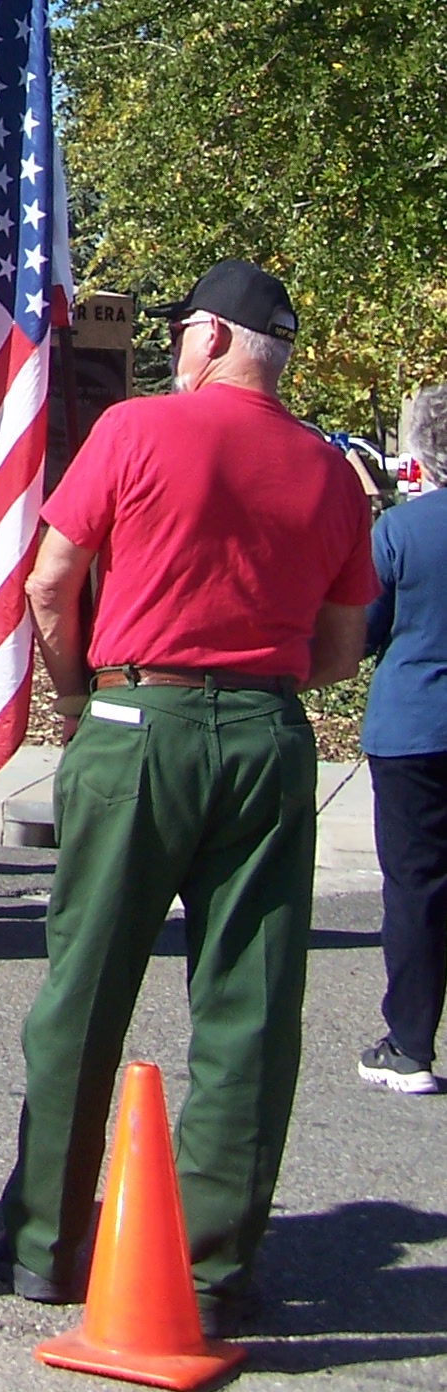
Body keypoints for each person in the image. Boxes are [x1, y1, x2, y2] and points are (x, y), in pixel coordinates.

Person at [0, 258, 378, 1336]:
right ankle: (212, 1259)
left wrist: (76, 697)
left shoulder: (134, 430)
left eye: (183, 333)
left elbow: (48, 576)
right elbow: (340, 651)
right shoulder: (331, 470)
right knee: (250, 1004)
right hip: (265, 730)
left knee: (85, 986)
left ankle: (47, 1241)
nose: (174, 348)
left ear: (212, 339)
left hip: (136, 719)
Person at [357, 383, 447, 1095]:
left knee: (415, 886)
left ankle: (410, 1044)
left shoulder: (399, 531)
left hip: (414, 725)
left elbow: (364, 628)